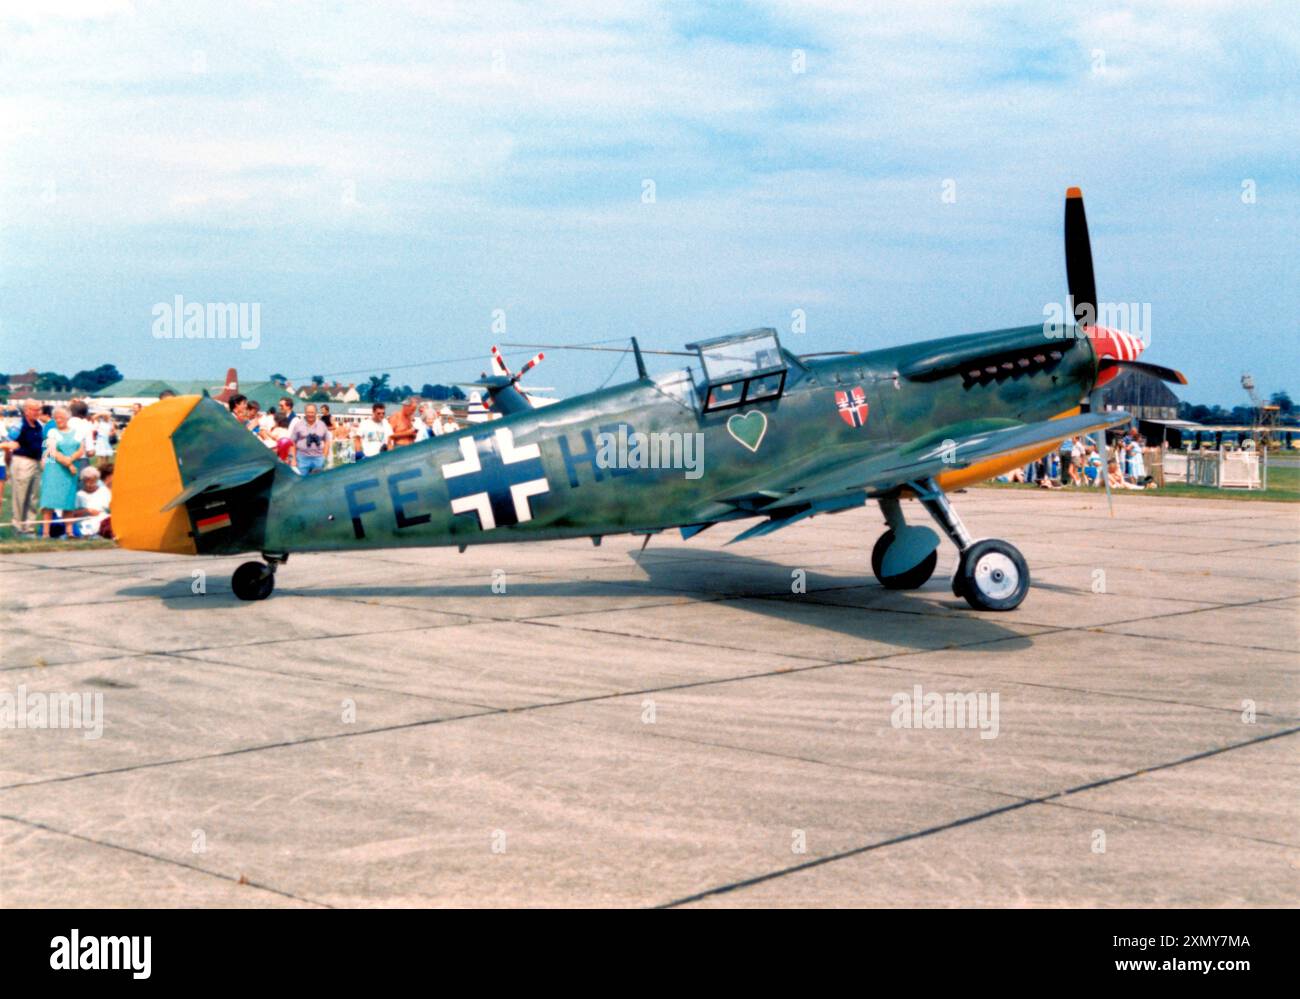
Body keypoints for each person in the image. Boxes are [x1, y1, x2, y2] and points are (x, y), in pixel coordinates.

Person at [41, 407, 85, 538]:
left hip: (69, 473)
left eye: (61, 417)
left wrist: (71, 461)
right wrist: (69, 464)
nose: (59, 420)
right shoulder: (52, 432)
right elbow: (52, 451)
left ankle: (69, 532)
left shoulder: (77, 433)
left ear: (67, 418)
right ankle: (45, 533)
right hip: (54, 470)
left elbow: (80, 450)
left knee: (68, 501)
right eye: (56, 418)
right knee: (49, 501)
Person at [4, 399, 46, 536]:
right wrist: (9, 450)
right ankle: (18, 527)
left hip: (36, 462)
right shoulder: (19, 425)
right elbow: (7, 442)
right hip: (22, 462)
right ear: (27, 410)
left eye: (39, 409)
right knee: (20, 496)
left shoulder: (39, 425)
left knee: (33, 496)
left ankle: (29, 528)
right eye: (35, 410)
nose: (38, 412)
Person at [70, 465, 113, 537]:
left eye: (92, 482)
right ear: (83, 482)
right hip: (84, 521)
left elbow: (111, 508)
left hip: (101, 519)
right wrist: (87, 511)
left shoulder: (104, 491)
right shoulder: (79, 495)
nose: (89, 485)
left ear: (97, 480)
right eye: (87, 482)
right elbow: (72, 513)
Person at [289, 403, 331, 474]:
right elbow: (292, 442)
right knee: (302, 481)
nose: (310, 414)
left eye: (312, 412)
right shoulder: (298, 425)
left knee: (318, 481)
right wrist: (293, 459)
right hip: (302, 458)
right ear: (305, 413)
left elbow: (327, 440)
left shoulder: (322, 425)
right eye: (308, 412)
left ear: (316, 413)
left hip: (318, 459)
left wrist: (324, 456)